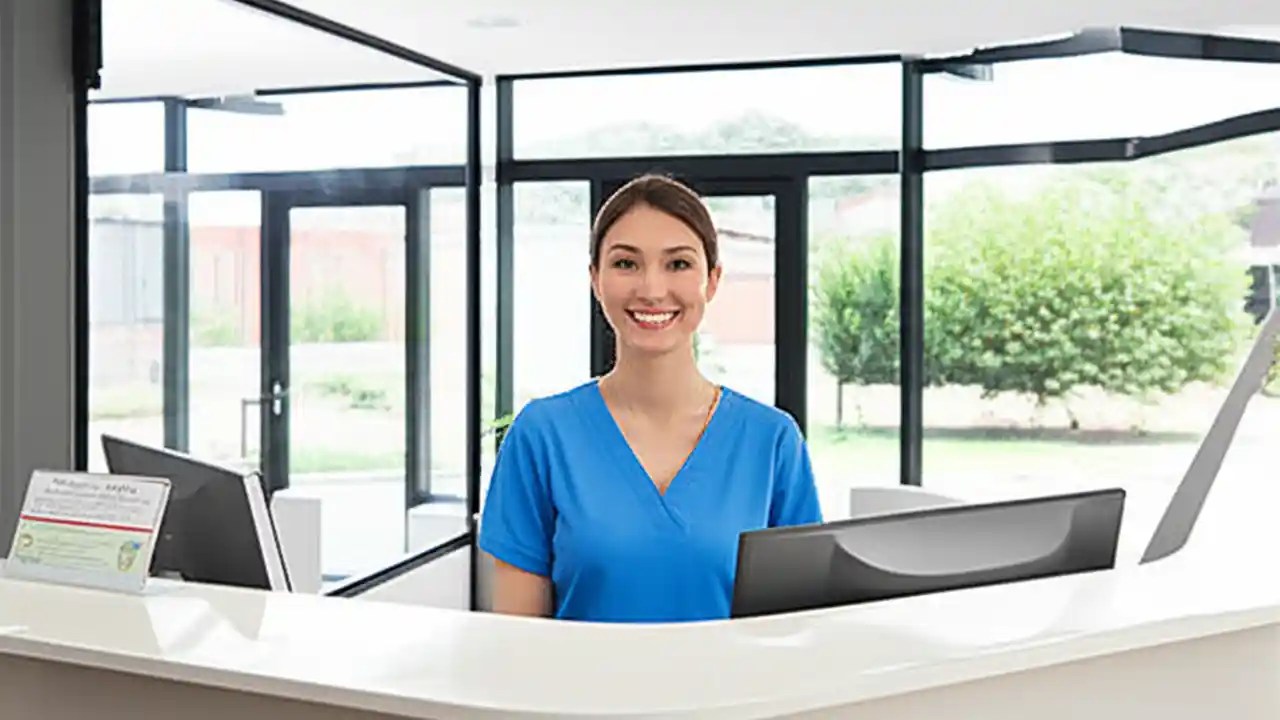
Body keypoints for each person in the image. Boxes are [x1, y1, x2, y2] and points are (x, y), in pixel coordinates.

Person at [478, 173, 823, 623]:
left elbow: (797, 630)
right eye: (626, 263)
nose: (652, 290)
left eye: (678, 264)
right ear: (595, 279)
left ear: (712, 280)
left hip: (732, 674)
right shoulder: (541, 436)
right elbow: (518, 640)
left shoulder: (772, 442)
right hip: (576, 674)